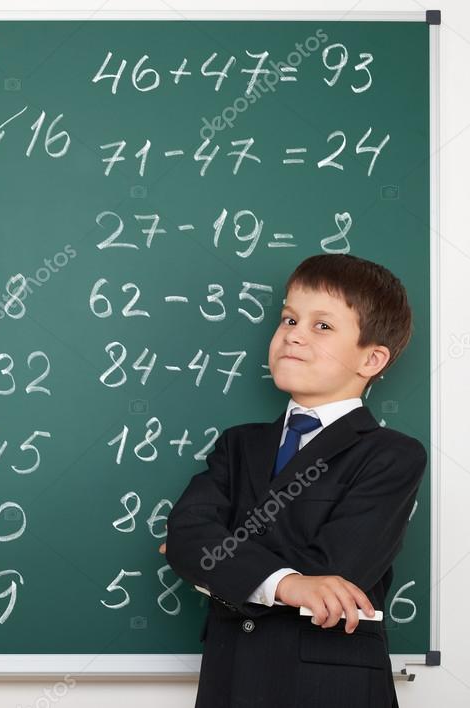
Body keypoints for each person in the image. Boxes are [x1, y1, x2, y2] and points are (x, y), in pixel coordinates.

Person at [163, 253, 428, 708]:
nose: (294, 335)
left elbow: (338, 572)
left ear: (372, 358)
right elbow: (186, 536)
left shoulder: (392, 455)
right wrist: (288, 583)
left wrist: (220, 558)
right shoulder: (238, 445)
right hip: (229, 683)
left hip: (329, 690)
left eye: (321, 326)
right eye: (288, 318)